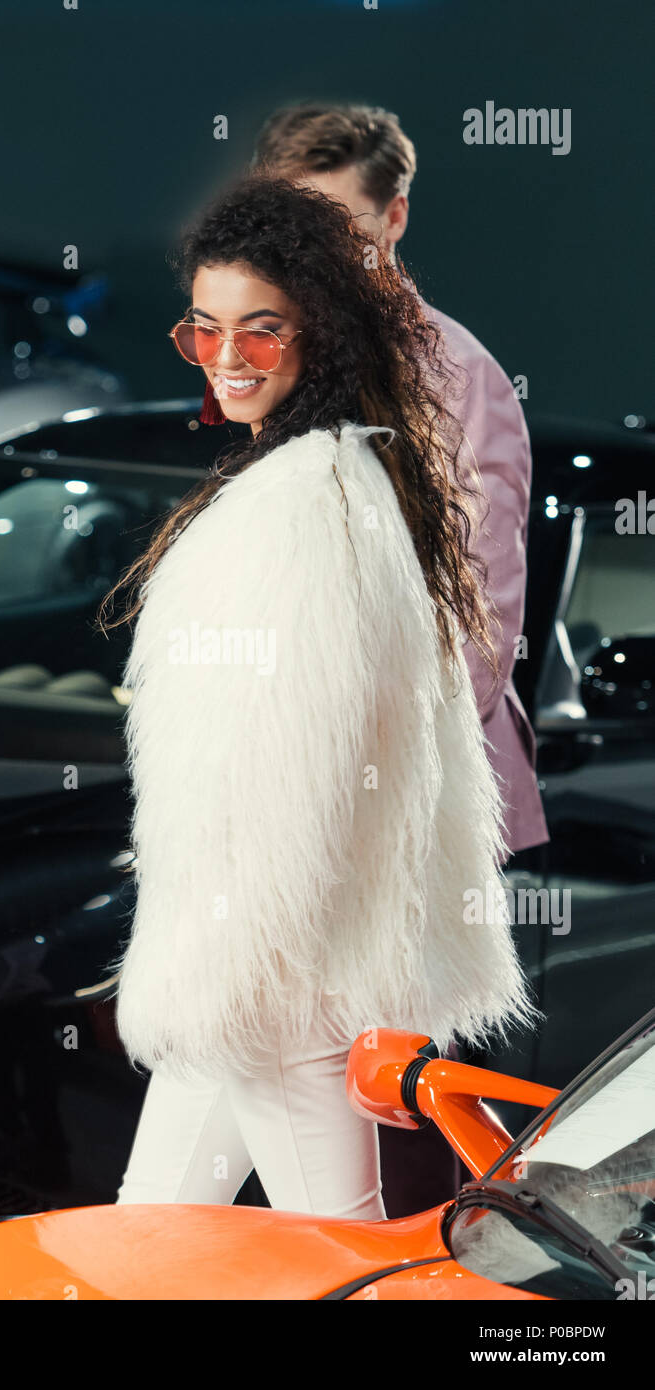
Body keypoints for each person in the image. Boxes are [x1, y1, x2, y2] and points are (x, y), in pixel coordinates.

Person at [94, 175, 542, 1217]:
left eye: (263, 329)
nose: (230, 358)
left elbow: (306, 767)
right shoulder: (322, 483)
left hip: (283, 973)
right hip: (249, 969)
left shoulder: (311, 506)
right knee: (154, 1239)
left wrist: (245, 949)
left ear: (320, 334)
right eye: (205, 331)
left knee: (332, 1254)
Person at [251, 103, 549, 861]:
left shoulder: (461, 380)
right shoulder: (258, 359)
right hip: (279, 781)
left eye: (341, 227)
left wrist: (360, 776)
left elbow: (478, 618)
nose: (315, 252)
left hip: (413, 802)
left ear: (394, 218)